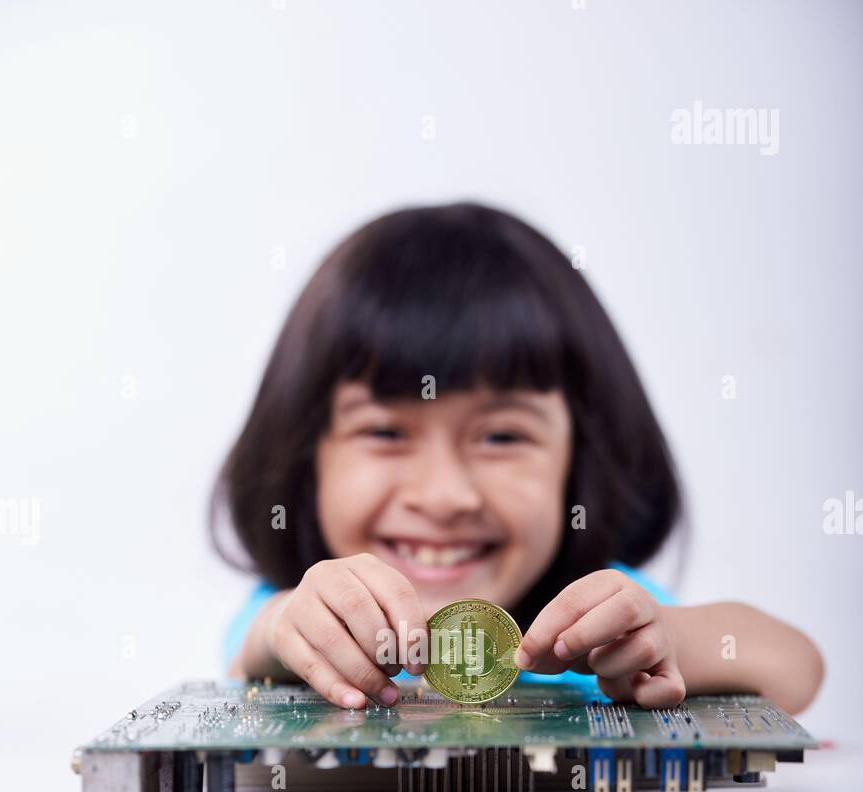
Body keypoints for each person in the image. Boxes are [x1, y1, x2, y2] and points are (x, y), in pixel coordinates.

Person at [212, 203, 822, 714]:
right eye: (386, 431)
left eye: (502, 437)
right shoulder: (298, 609)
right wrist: (282, 626)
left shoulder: (605, 613)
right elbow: (259, 648)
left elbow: (797, 665)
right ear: (305, 457)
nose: (445, 495)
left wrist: (671, 639)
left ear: (581, 460)